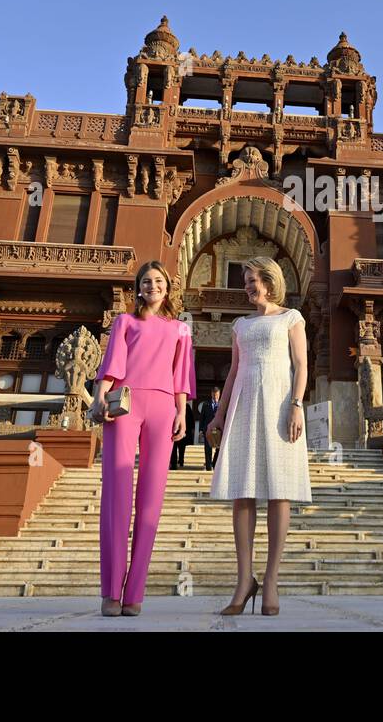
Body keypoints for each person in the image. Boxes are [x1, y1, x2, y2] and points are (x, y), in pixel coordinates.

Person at [205, 256, 311, 616]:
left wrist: (296, 405)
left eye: (253, 280)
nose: (248, 286)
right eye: (245, 280)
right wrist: (219, 415)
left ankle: (271, 580)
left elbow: (302, 366)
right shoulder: (240, 325)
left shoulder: (291, 318)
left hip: (280, 407)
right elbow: (234, 372)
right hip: (244, 407)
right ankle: (243, 581)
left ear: (270, 280)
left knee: (280, 491)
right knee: (243, 492)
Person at [92, 260, 195, 617]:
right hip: (125, 403)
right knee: (116, 494)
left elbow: (181, 374)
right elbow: (112, 363)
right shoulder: (125, 321)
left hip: (163, 407)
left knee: (151, 501)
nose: (153, 286)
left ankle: (134, 593)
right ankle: (111, 592)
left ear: (168, 287)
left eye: (159, 280)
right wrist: (98, 396)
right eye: (147, 281)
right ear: (138, 288)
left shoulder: (181, 329)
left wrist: (182, 412)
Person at [200, 387, 221, 470]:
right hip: (208, 429)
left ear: (219, 394)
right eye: (214, 394)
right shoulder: (206, 404)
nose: (215, 396)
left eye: (217, 395)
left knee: (219, 448)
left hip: (219, 430)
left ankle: (214, 463)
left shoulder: (222, 404)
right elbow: (202, 418)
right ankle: (208, 466)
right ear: (211, 394)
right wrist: (201, 430)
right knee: (208, 448)